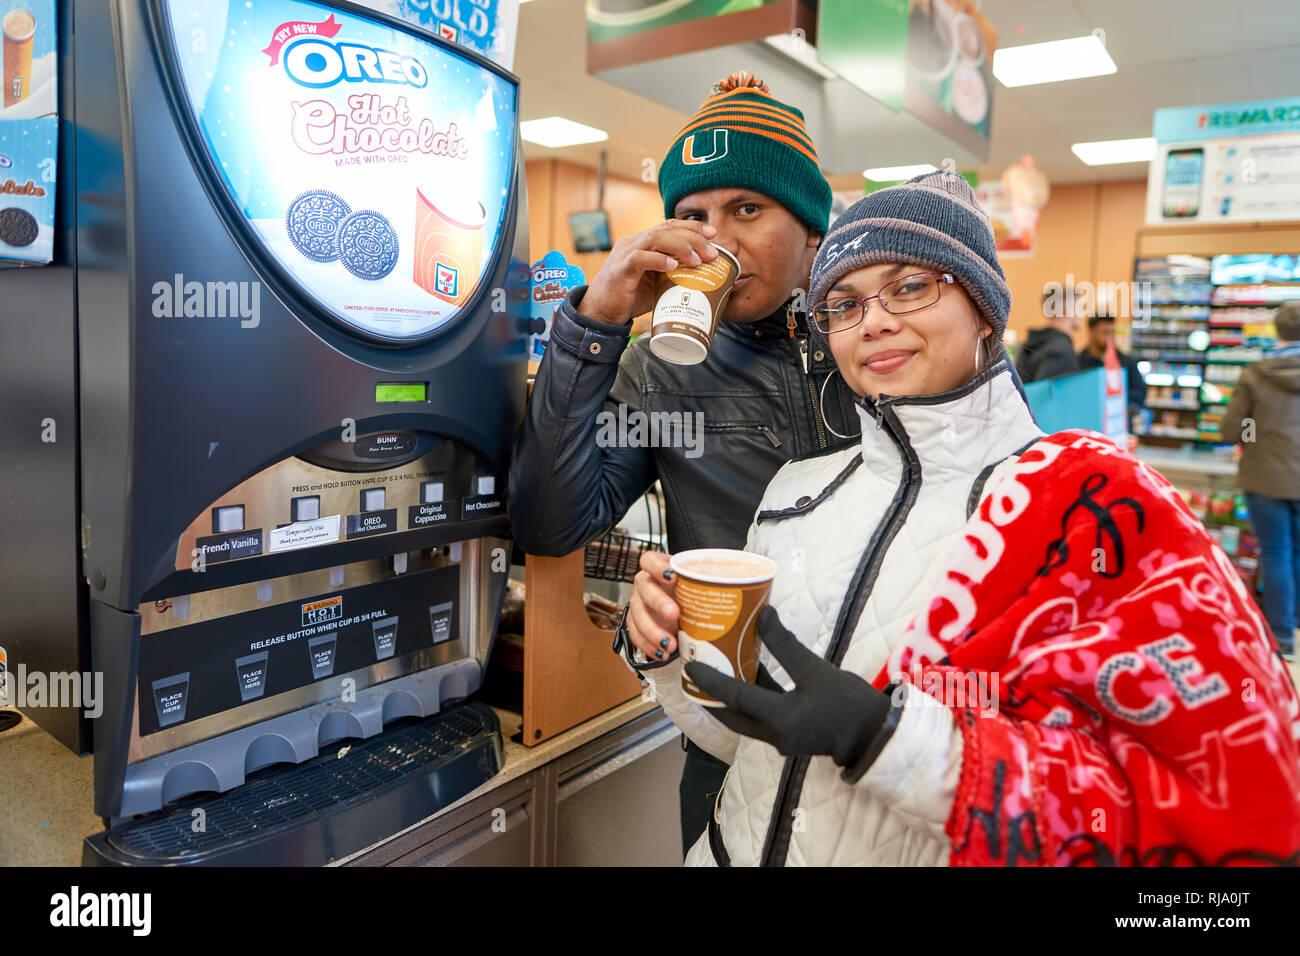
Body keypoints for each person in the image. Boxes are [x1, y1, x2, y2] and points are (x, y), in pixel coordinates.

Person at [622, 171, 1300, 866]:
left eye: (910, 286)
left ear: (983, 308)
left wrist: (887, 739)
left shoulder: (1088, 507)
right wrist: (671, 657)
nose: (875, 320)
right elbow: (749, 742)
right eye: (844, 304)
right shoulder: (796, 492)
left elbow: (1200, 800)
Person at [508, 72, 857, 858]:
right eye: (693, 214)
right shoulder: (658, 370)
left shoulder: (873, 344)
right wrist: (591, 326)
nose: (717, 239)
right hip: (727, 733)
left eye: (746, 209)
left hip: (881, 721)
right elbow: (549, 522)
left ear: (810, 229)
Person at [1220, 301, 1300, 661]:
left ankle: (1282, 636)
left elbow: (1233, 428)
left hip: (1265, 478)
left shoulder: (1255, 373)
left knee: (1276, 553)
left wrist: (1253, 442)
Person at [1077, 313, 1147, 411]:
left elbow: (1140, 393)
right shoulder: (1078, 362)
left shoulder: (1126, 362)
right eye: (1105, 332)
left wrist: (1115, 397)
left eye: (1112, 333)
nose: (1110, 337)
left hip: (1118, 421)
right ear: (1091, 331)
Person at [1015, 285, 1083, 382]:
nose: (1083, 313)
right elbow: (1049, 395)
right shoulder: (1060, 351)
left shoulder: (1034, 344)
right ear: (1066, 311)